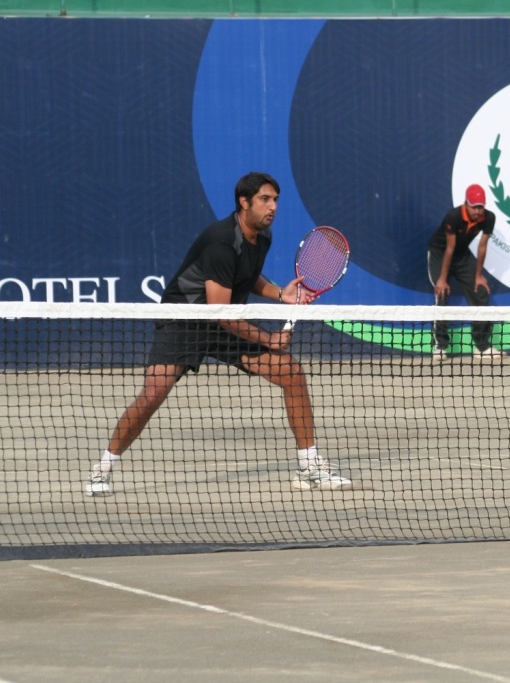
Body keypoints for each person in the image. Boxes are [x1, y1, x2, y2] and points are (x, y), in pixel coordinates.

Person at [84, 171, 352, 496]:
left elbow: (247, 276)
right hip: (184, 321)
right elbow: (221, 313)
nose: (273, 207)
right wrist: (269, 339)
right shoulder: (221, 242)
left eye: (276, 200)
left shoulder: (262, 237)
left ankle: (309, 466)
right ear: (244, 202)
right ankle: (102, 469)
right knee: (153, 395)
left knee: (291, 372)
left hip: (223, 320)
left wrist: (282, 294)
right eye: (265, 200)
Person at [426, 183, 504, 361]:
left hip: (462, 255)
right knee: (442, 292)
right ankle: (440, 345)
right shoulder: (453, 216)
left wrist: (478, 276)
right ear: (465, 204)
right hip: (440, 252)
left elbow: (482, 246)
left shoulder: (489, 218)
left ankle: (482, 346)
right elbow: (449, 248)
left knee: (481, 291)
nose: (477, 211)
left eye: (480, 207)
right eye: (473, 206)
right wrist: (443, 279)